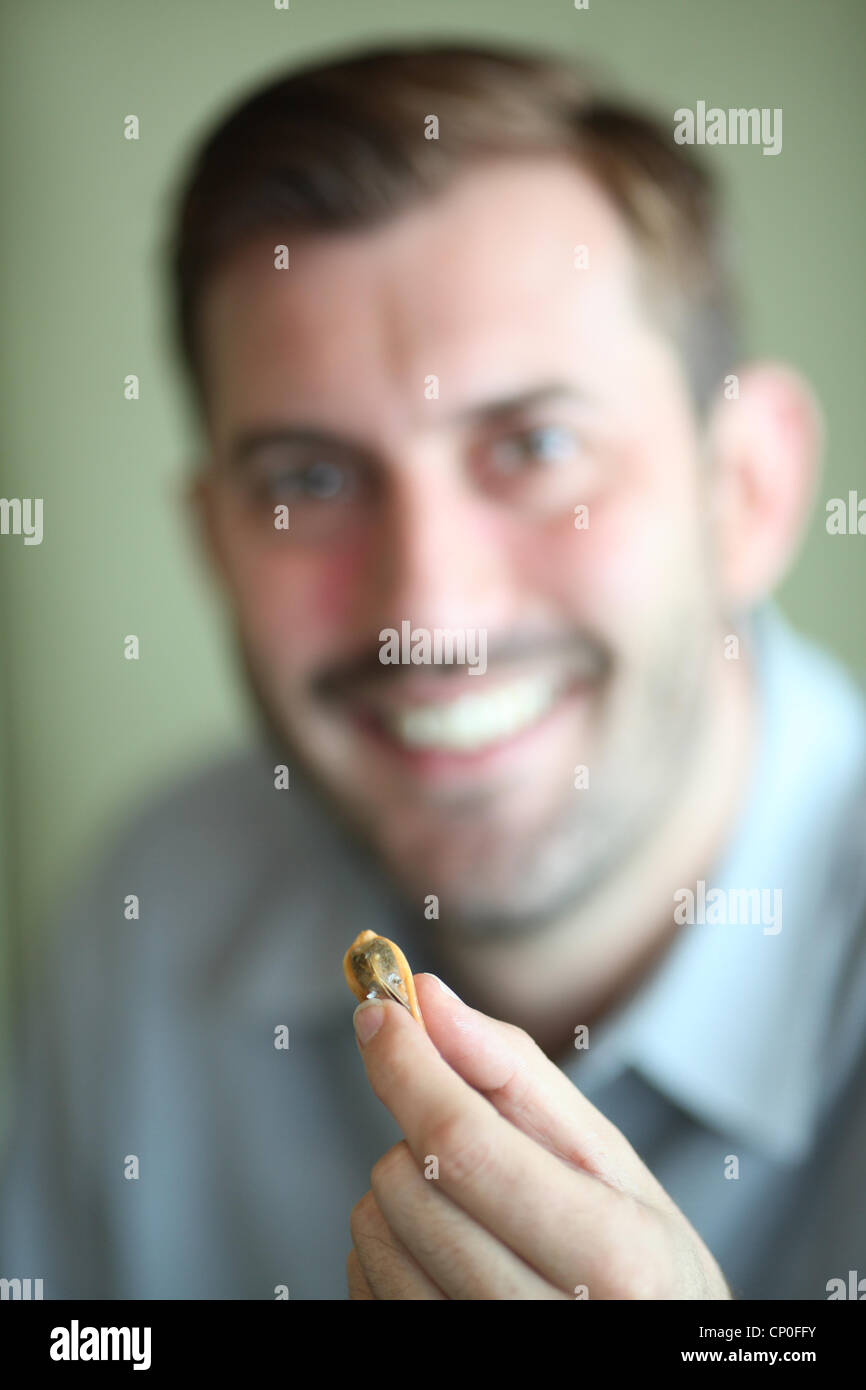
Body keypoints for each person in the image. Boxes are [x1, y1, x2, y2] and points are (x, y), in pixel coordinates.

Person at [1, 42, 864, 1301]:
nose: (427, 614)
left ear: (747, 487)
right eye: (307, 479)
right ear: (214, 544)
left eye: (534, 444)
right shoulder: (143, 927)